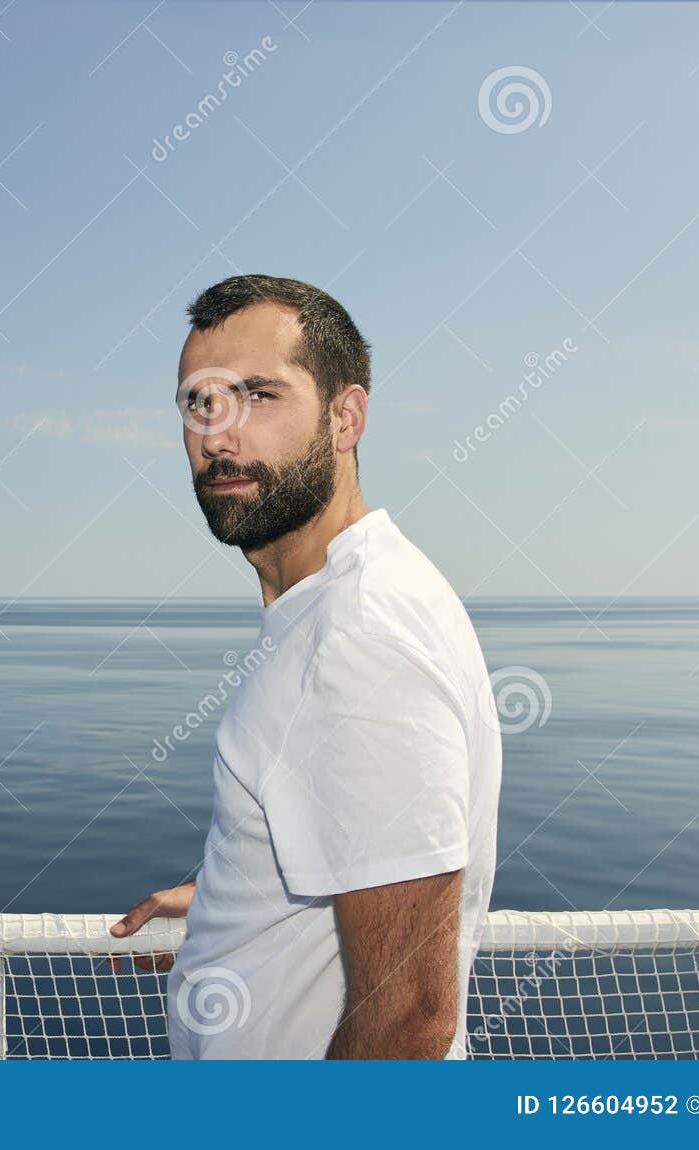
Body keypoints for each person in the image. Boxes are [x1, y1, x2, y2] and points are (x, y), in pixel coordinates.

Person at [111, 275, 502, 1059]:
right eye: (200, 403)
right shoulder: (329, 604)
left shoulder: (358, 635)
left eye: (259, 395)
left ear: (345, 416)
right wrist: (236, 900)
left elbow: (410, 1021)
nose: (220, 435)